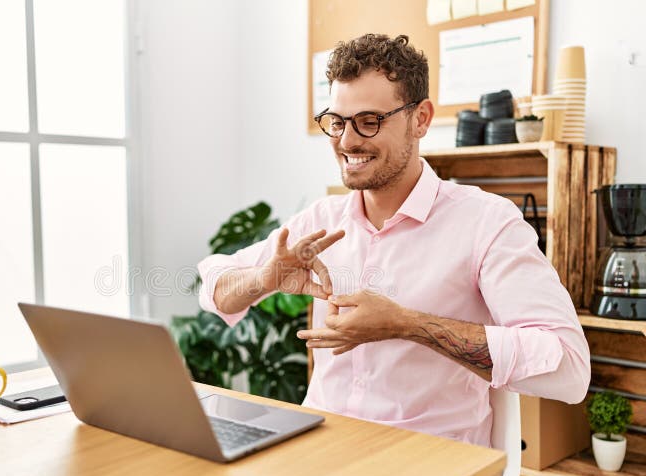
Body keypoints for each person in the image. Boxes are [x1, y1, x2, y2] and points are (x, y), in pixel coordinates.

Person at [197, 34, 590, 447]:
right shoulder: (321, 220)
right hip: (321, 451)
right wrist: (264, 277)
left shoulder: (487, 223)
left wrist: (406, 325)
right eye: (337, 121)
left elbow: (569, 369)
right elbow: (215, 287)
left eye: (369, 121)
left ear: (420, 119)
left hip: (428, 466)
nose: (347, 141)